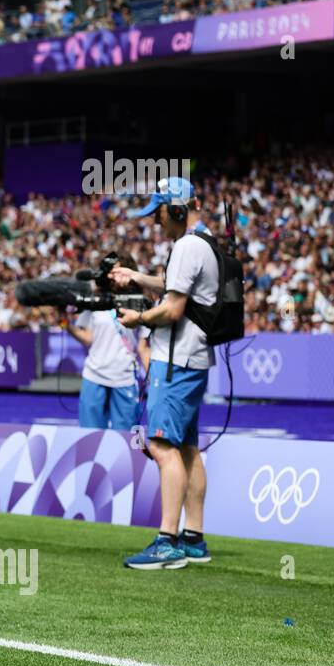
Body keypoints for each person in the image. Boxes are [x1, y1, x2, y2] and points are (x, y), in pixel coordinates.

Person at [111, 178, 217, 570]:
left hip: (175, 362)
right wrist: (138, 278)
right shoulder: (203, 242)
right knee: (187, 448)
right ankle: (194, 538)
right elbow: (177, 290)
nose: (155, 221)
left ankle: (167, 540)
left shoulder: (187, 246)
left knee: (161, 446)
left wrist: (139, 317)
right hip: (193, 359)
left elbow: (172, 310)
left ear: (175, 209)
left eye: (158, 212)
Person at [62, 252, 149, 430]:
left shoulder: (139, 301)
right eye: (109, 271)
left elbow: (143, 347)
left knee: (125, 438)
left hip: (124, 378)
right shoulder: (94, 299)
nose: (112, 276)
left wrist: (154, 382)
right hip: (94, 375)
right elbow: (88, 338)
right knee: (89, 435)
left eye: (117, 271)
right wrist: (66, 325)